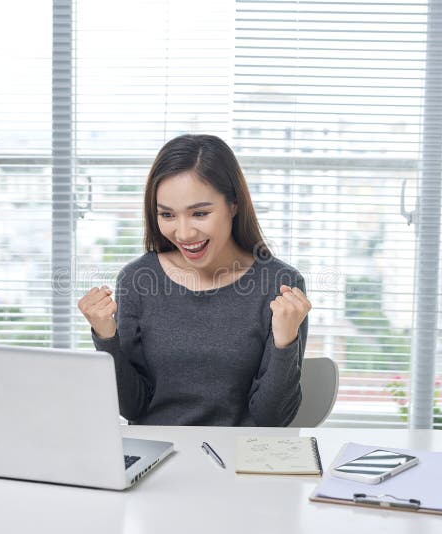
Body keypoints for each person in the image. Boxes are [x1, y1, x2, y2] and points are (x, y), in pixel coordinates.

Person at [77, 134, 311, 426]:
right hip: (158, 449)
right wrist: (106, 337)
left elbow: (272, 420)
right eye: (167, 215)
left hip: (236, 451)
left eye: (200, 213)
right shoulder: (137, 280)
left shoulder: (282, 284)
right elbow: (133, 408)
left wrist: (285, 342)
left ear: (234, 205)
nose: (184, 233)